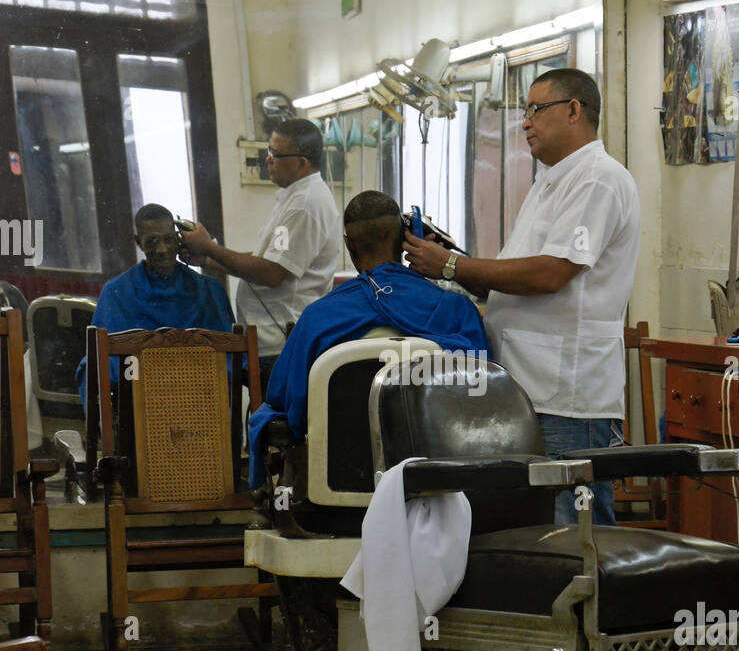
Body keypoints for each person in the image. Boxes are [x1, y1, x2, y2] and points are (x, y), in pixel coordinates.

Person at [404, 68, 641, 651]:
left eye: (535, 112)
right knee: (547, 542)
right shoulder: (551, 185)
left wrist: (451, 267)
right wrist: (460, 267)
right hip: (529, 386)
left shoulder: (598, 179)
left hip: (570, 391)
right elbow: (515, 283)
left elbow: (552, 274)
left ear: (574, 111)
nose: (525, 125)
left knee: (583, 538)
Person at [248, 191, 489, 488]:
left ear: (348, 245)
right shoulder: (456, 312)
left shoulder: (317, 320)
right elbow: (481, 396)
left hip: (341, 487)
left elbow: (286, 402)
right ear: (404, 239)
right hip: (436, 489)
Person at [180, 117, 342, 394]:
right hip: (270, 337)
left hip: (281, 340)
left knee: (276, 425)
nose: (268, 160)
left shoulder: (305, 204)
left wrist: (209, 247)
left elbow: (271, 273)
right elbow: (262, 259)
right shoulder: (294, 198)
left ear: (301, 162)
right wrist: (208, 260)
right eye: (268, 153)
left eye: (275, 155)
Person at [76, 204, 235, 405]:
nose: (161, 250)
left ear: (179, 239)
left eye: (168, 240)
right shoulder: (117, 292)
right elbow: (100, 362)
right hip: (137, 408)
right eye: (151, 242)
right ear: (138, 243)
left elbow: (231, 360)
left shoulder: (208, 291)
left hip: (200, 406)